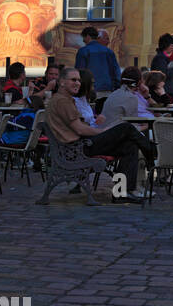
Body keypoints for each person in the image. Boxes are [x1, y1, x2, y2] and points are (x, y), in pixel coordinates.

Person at [43, 68, 157, 204]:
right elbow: (79, 129)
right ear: (61, 82)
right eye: (73, 80)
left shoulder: (64, 100)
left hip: (79, 146)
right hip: (77, 149)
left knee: (129, 146)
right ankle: (151, 154)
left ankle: (121, 192)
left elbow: (80, 126)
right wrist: (104, 131)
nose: (78, 83)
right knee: (126, 127)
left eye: (79, 80)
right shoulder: (62, 101)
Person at [74, 27, 121, 94]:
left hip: (90, 90)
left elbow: (80, 72)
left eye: (83, 38)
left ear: (88, 36)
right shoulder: (109, 51)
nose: (83, 40)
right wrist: (115, 86)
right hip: (108, 89)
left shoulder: (83, 51)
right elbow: (116, 70)